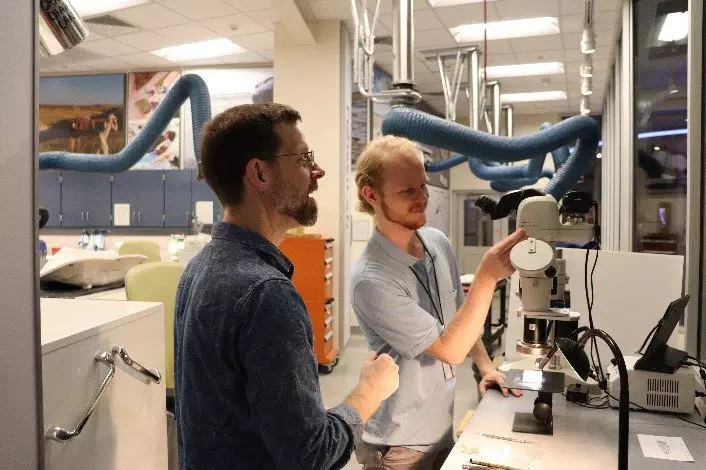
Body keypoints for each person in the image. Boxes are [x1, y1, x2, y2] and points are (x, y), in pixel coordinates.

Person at [173, 103, 400, 470]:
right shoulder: (266, 293)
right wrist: (370, 391)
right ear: (260, 173)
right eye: (304, 158)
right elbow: (309, 455)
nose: (318, 171)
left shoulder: (199, 268)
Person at [351, 135, 527, 470]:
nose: (422, 198)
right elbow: (449, 349)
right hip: (399, 443)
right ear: (371, 195)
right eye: (408, 191)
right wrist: (487, 277)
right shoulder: (371, 279)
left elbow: (461, 320)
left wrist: (486, 367)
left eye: (423, 186)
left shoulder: (437, 242)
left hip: (441, 426)